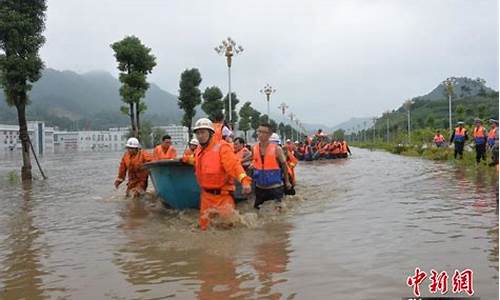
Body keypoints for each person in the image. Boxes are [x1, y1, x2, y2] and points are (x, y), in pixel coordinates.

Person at [193, 118, 252, 230]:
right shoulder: (199, 150)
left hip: (223, 197)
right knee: (204, 230)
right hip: (206, 197)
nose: (200, 136)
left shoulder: (222, 148)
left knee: (228, 231)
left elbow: (234, 166)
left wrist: (245, 181)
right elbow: (196, 162)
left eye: (203, 132)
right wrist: (186, 160)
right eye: (198, 133)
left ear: (211, 133)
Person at [251, 124, 291, 209]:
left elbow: (284, 165)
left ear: (269, 134)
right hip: (259, 188)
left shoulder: (277, 149)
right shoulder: (254, 148)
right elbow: (255, 161)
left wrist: (287, 182)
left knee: (278, 213)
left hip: (274, 188)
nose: (260, 134)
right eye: (259, 131)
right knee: (257, 211)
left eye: (263, 132)